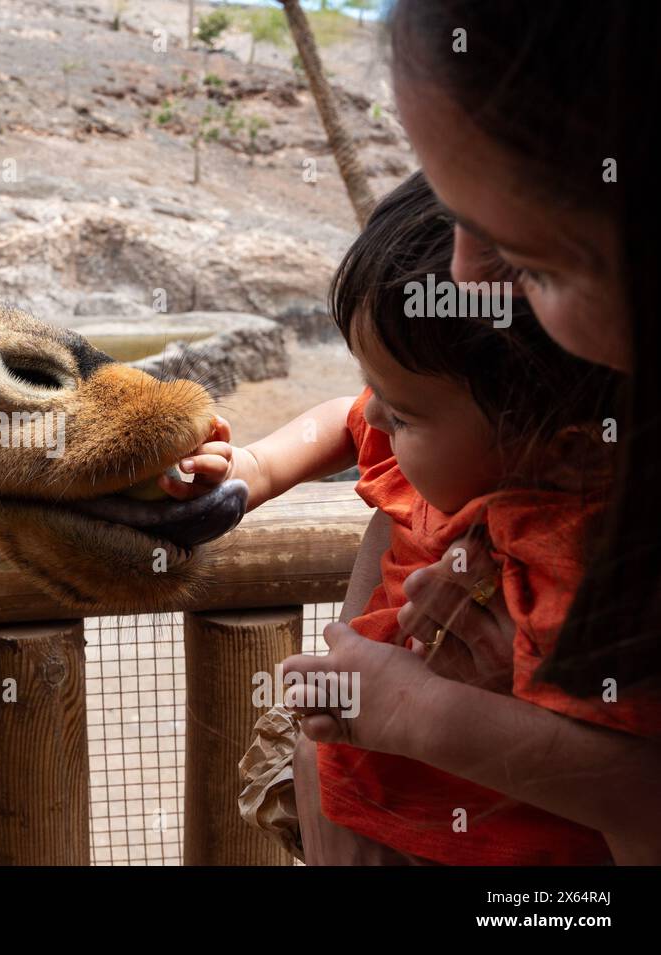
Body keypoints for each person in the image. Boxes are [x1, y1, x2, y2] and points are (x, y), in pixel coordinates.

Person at [170, 170, 645, 863]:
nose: (372, 416)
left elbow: (627, 782)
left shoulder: (581, 572)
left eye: (401, 410)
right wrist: (256, 467)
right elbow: (345, 418)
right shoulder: (440, 440)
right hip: (361, 811)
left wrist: (414, 711)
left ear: (564, 451)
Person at [286, 0, 661, 864]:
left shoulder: (583, 548)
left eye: (528, 257)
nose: (461, 275)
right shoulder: (470, 464)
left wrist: (427, 713)